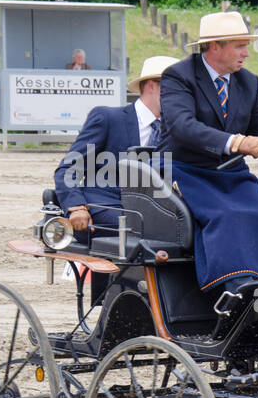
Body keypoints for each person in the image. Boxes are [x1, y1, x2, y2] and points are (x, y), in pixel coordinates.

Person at [158, 11, 258, 296]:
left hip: (232, 174)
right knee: (227, 214)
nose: (246, 54)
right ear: (215, 46)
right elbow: (182, 126)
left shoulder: (248, 82)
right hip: (186, 171)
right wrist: (237, 142)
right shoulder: (178, 76)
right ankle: (236, 289)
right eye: (240, 46)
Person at [53, 54, 175, 303]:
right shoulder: (108, 118)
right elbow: (68, 168)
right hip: (105, 206)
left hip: (150, 210)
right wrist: (76, 206)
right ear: (153, 86)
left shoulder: (174, 130)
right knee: (142, 229)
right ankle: (117, 302)